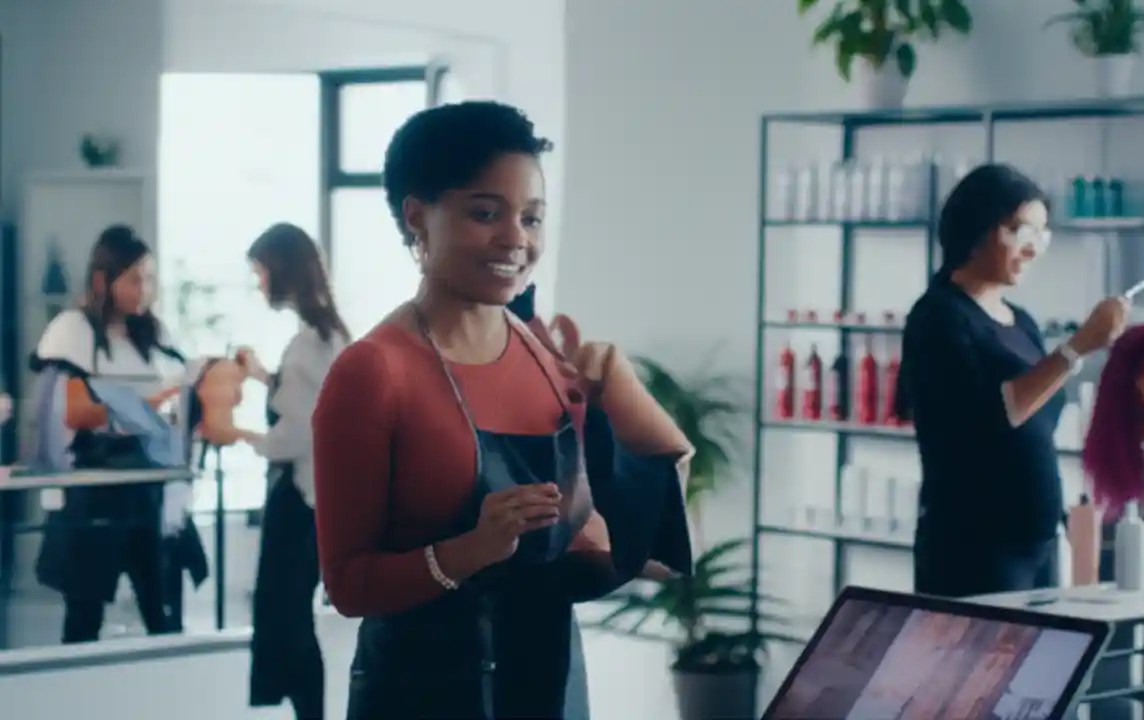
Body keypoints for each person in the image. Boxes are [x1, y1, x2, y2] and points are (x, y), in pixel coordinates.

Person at [312, 101, 692, 719]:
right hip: (420, 698)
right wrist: (473, 549)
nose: (516, 238)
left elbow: (651, 543)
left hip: (548, 691)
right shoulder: (372, 372)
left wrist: (623, 392)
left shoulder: (546, 357)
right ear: (418, 218)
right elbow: (348, 586)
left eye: (532, 218)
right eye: (485, 213)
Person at [898, 164, 1130, 598]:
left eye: (1041, 235)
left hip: (1035, 543)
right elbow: (996, 415)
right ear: (976, 228)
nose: (1033, 250)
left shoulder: (1021, 322)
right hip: (973, 547)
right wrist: (1077, 347)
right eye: (1019, 231)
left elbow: (1038, 418)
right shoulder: (939, 317)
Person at [29, 225, 207, 642]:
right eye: (133, 279)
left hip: (148, 490)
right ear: (102, 280)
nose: (144, 289)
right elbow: (76, 413)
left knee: (162, 612)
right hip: (95, 491)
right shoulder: (74, 330)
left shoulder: (155, 335)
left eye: (149, 278)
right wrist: (146, 406)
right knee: (84, 615)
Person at [235, 223, 349, 720]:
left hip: (299, 502)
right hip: (320, 500)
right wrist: (263, 375)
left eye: (261, 271)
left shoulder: (307, 346)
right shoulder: (329, 337)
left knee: (288, 620)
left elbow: (297, 433)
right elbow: (310, 400)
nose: (259, 282)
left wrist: (236, 435)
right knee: (295, 617)